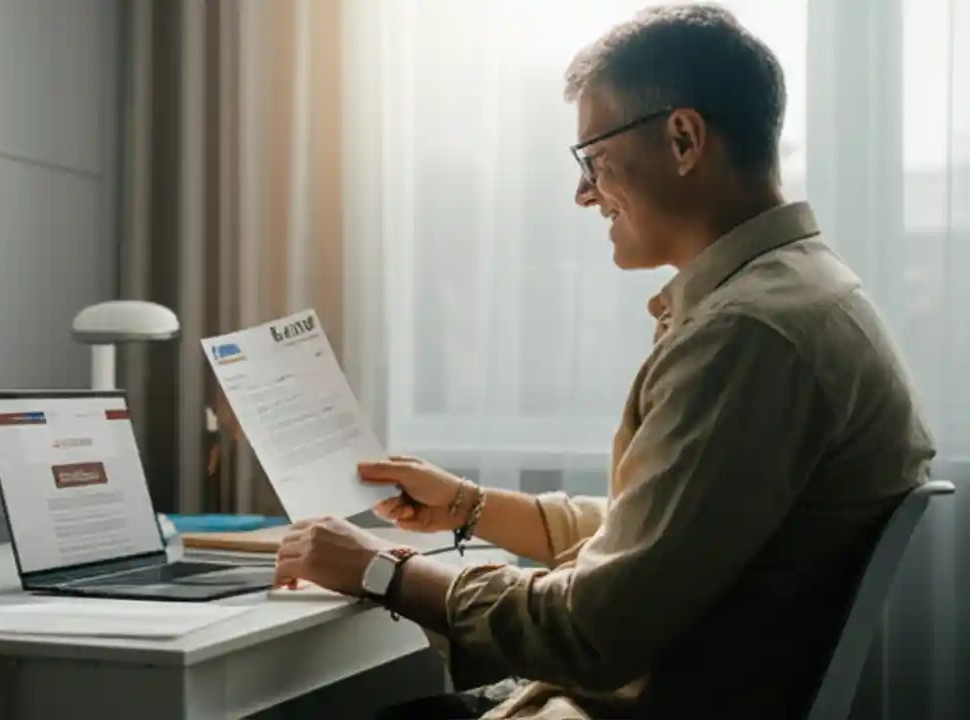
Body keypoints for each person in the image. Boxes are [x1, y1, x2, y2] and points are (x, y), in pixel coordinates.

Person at [272, 5, 936, 719]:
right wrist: (469, 505)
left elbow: (593, 631)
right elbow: (656, 535)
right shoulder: (801, 294)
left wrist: (379, 570)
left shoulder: (750, 335)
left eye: (593, 159)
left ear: (683, 138)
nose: (583, 193)